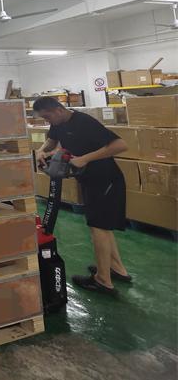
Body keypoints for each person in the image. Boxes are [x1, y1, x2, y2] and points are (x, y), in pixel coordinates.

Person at [33, 96, 132, 294]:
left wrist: (85, 159)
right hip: (89, 180)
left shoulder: (84, 122)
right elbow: (52, 140)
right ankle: (117, 269)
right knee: (102, 226)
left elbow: (120, 145)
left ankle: (103, 280)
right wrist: (41, 151)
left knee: (98, 228)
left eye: (47, 117)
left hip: (105, 179)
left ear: (58, 110)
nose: (47, 121)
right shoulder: (58, 123)